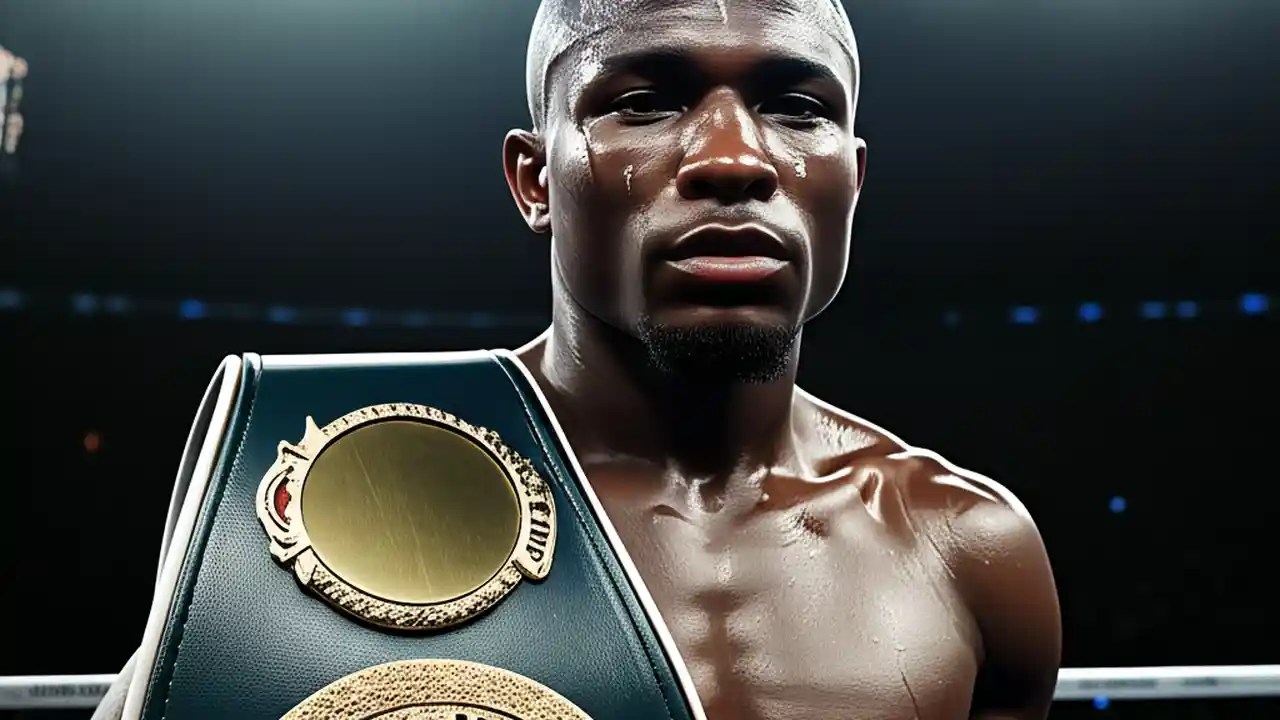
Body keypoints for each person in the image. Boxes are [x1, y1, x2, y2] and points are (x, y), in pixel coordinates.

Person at [95, 1, 1060, 718]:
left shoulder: (972, 551)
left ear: (855, 175)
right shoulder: (332, 493)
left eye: (797, 107)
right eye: (642, 101)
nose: (734, 155)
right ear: (534, 179)